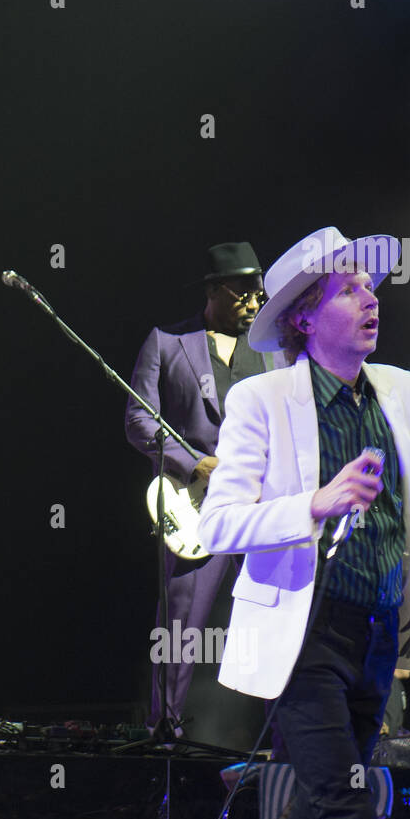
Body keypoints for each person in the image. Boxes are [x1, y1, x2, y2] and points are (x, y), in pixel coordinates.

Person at [197, 226, 410, 819]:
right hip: (305, 641)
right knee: (347, 812)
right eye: (350, 291)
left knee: (319, 813)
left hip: (376, 635)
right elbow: (216, 524)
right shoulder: (260, 398)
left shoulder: (398, 389)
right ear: (304, 317)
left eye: (370, 288)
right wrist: (314, 504)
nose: (372, 300)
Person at [125, 241, 272, 738]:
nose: (255, 299)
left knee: (285, 614)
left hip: (260, 507)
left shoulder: (273, 351)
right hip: (198, 507)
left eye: (259, 288)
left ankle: (286, 743)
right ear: (214, 290)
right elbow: (138, 420)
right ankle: (162, 735)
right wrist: (195, 463)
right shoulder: (168, 341)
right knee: (180, 628)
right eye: (244, 290)